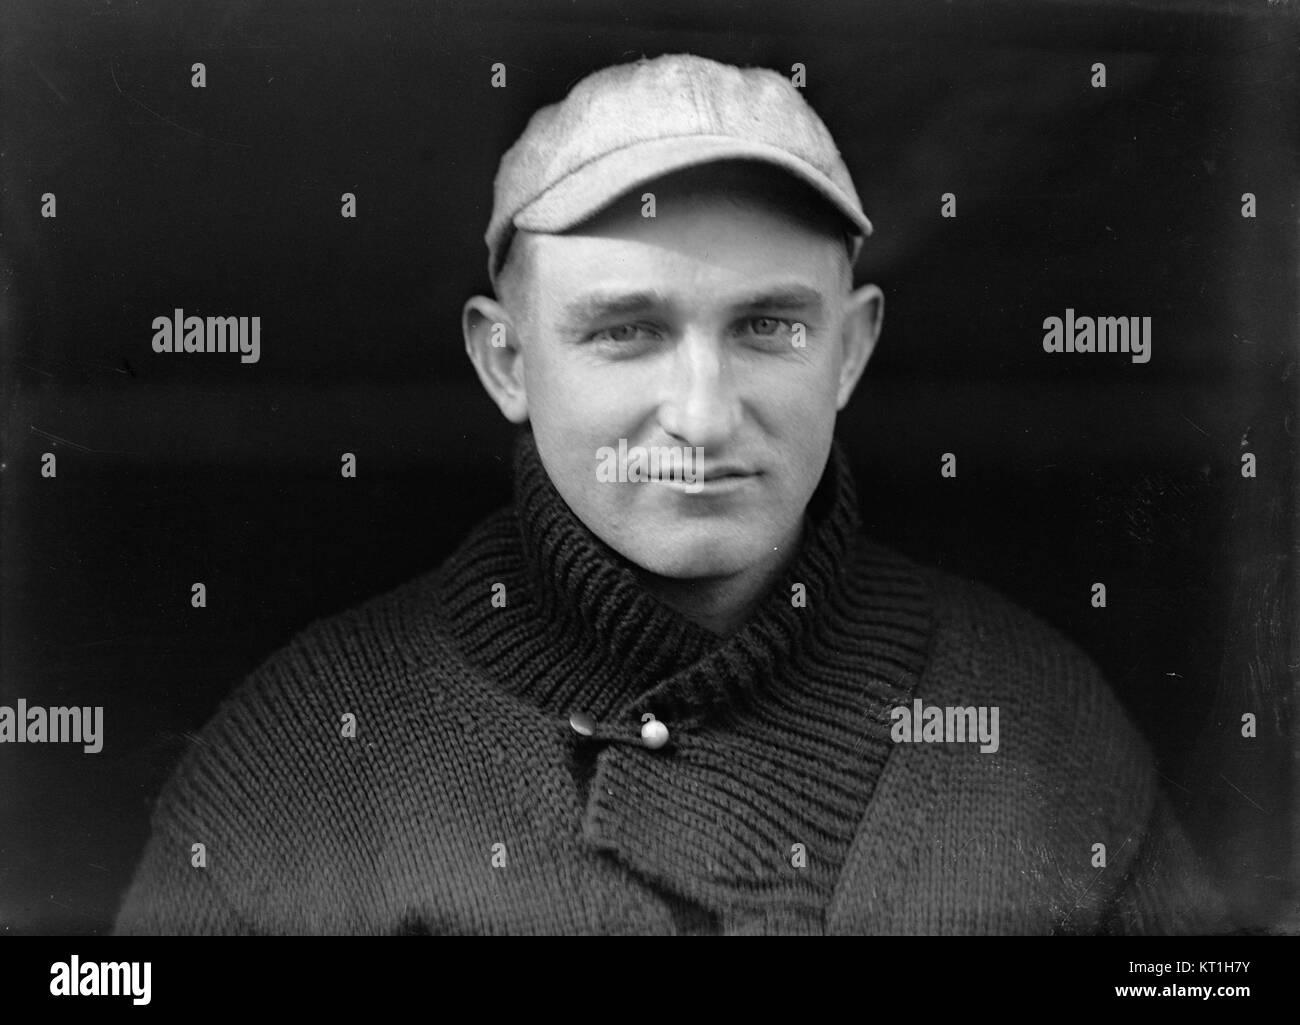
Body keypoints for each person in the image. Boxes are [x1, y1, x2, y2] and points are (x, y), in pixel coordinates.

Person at [114, 53, 1227, 935]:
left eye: (767, 327)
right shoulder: (301, 761)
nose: (701, 412)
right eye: (625, 332)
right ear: (505, 361)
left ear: (849, 350)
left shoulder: (1037, 723)